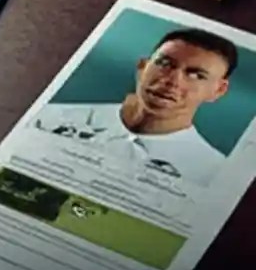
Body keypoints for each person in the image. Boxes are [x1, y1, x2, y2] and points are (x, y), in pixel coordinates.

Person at [33, 29, 238, 187]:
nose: (172, 81)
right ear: (142, 67)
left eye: (196, 75)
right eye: (165, 63)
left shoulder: (214, 173)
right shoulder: (48, 117)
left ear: (218, 91)